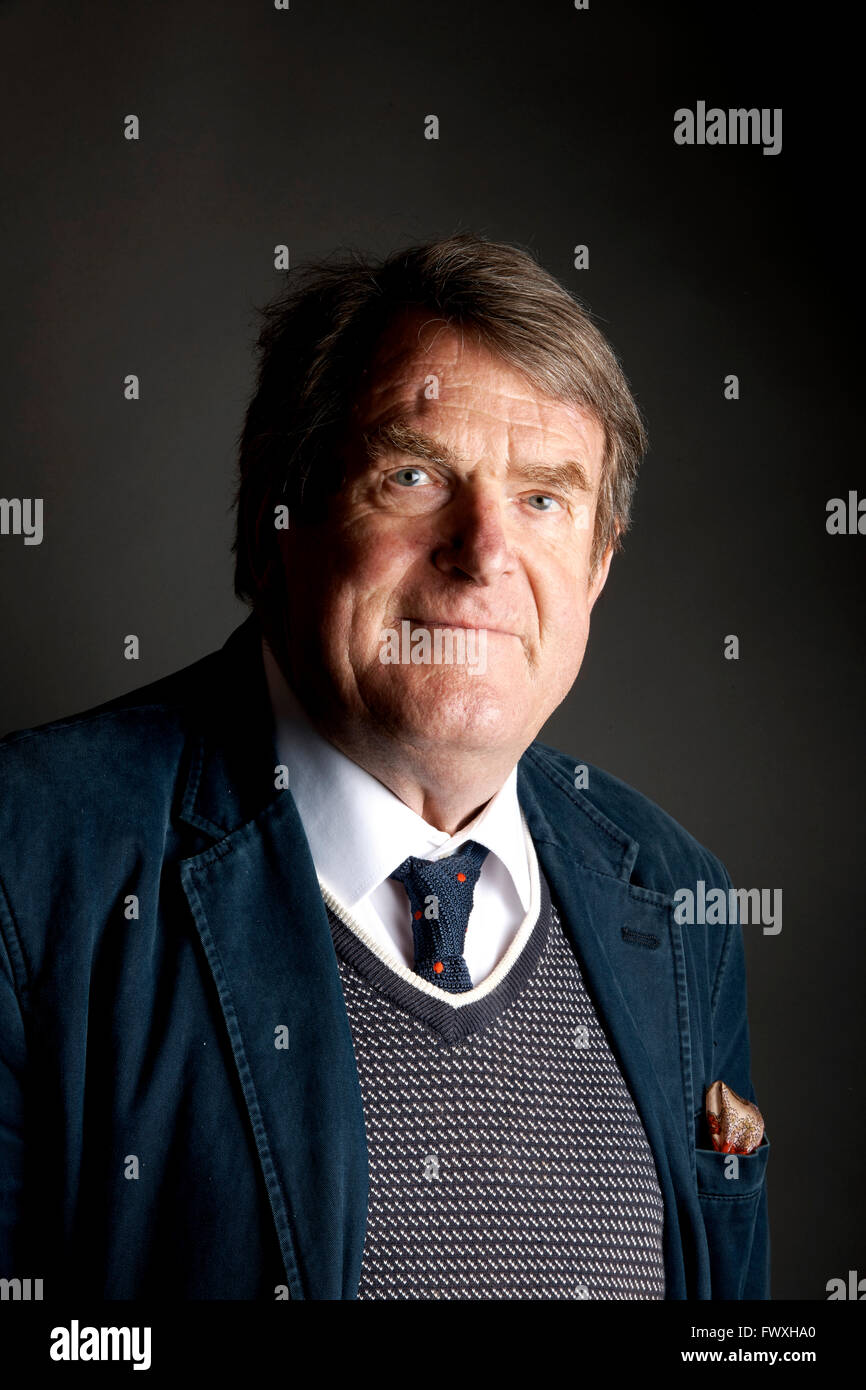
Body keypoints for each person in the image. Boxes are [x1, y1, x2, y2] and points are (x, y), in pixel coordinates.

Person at [0, 233, 769, 1300]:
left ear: (596, 566)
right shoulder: (28, 860)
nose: (484, 552)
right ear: (277, 523)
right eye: (412, 476)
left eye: (544, 499)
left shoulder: (674, 896)